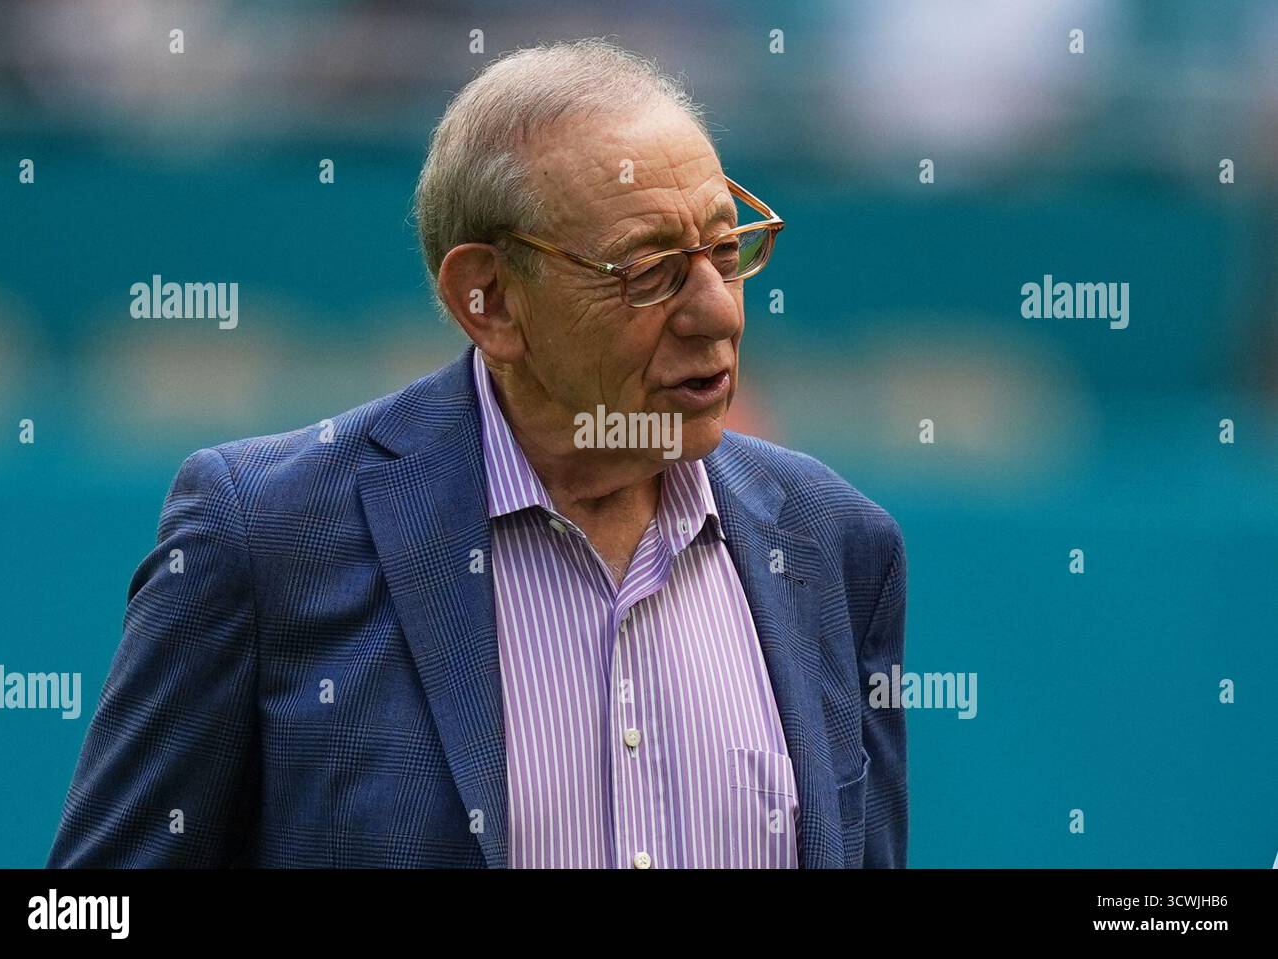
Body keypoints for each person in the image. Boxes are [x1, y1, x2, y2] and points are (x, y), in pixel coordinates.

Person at [47, 38, 907, 869]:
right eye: (647, 270)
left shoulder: (837, 546)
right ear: (487, 299)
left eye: (727, 250)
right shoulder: (265, 536)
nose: (718, 312)